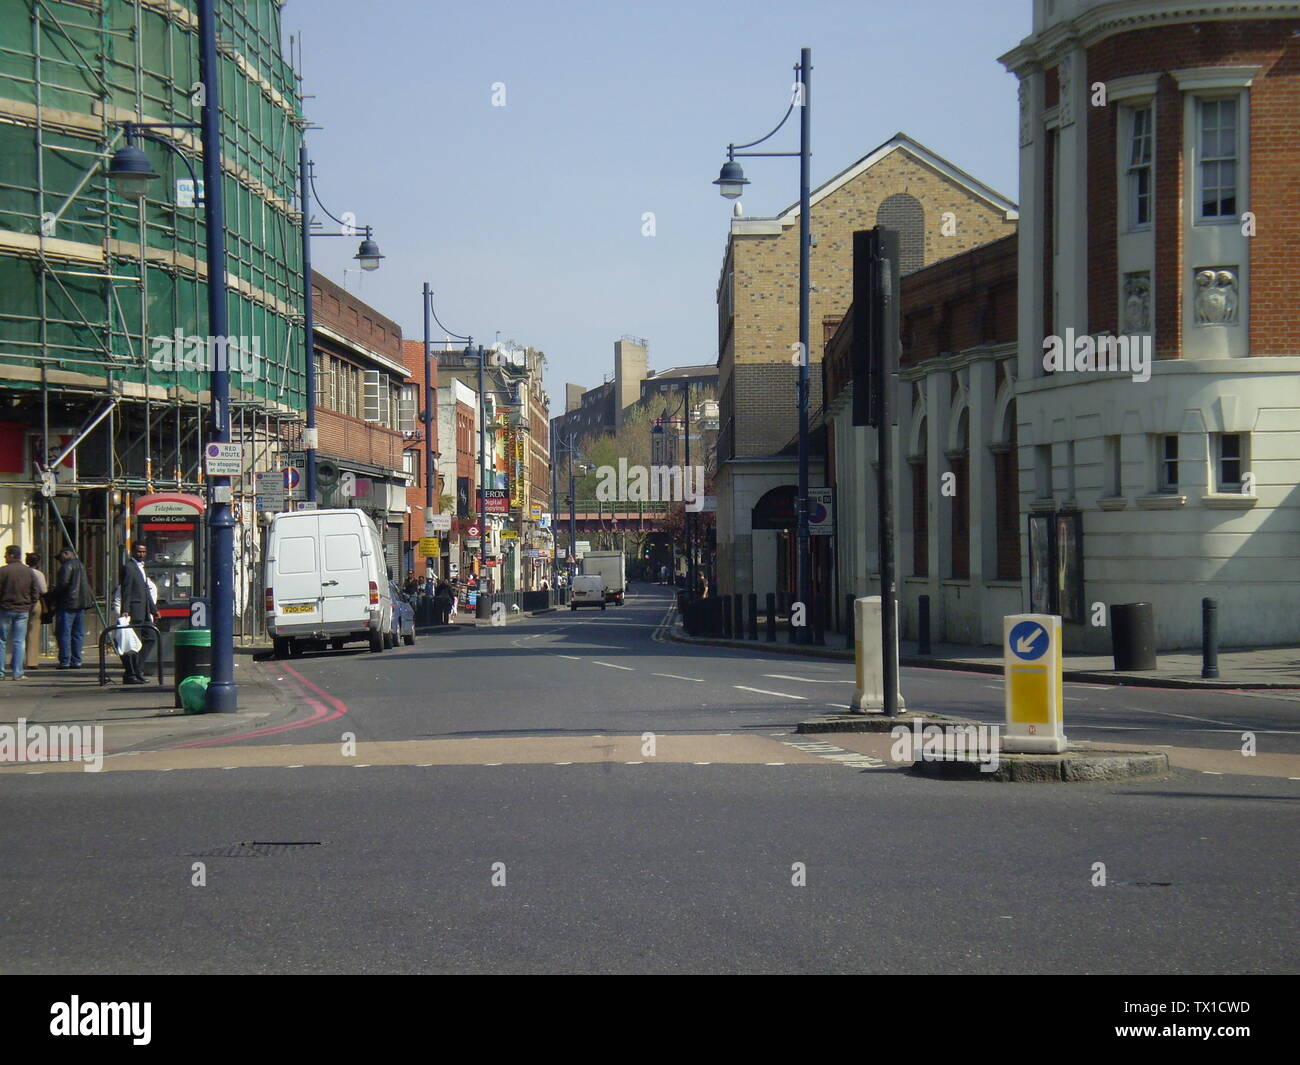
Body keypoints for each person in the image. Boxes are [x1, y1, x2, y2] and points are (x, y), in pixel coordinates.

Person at [112, 541, 158, 685]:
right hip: (134, 611)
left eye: (144, 552)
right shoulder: (129, 567)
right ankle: (133, 673)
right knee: (133, 643)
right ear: (133, 552)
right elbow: (126, 590)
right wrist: (125, 610)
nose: (142, 554)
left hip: (144, 611)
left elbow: (145, 591)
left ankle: (136, 670)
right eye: (139, 552)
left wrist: (154, 610)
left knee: (150, 638)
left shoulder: (141, 568)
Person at [51, 547, 95, 669]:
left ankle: (65, 660)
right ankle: (76, 660)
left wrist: (54, 593)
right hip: (81, 604)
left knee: (64, 633)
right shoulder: (81, 565)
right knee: (78, 633)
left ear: (66, 554)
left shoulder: (67, 566)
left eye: (60, 557)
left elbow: (63, 584)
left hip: (68, 603)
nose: (59, 560)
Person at [0, 545, 38, 680]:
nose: (4, 557)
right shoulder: (29, 572)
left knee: (1, 640)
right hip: (23, 609)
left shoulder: (3, 571)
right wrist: (30, 604)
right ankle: (17, 672)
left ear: (11, 555)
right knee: (19, 641)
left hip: (5, 609)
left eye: (6, 554)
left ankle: (0, 672)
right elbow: (35, 591)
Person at [25, 552, 47, 672]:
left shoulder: (23, 572)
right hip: (34, 603)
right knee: (33, 631)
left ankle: (16, 660)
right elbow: (44, 590)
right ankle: (31, 661)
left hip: (18, 603)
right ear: (38, 563)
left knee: (19, 633)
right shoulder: (39, 574)